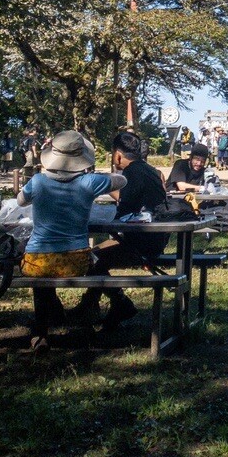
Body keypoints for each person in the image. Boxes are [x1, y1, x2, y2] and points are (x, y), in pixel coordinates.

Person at [17, 131, 124, 352]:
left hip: (39, 260)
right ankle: (74, 314)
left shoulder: (37, 182)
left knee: (39, 269)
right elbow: (121, 180)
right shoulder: (90, 182)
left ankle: (41, 332)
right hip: (76, 261)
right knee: (92, 260)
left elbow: (20, 200)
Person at [67, 131, 166, 331]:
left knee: (90, 258)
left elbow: (124, 210)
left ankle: (117, 303)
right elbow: (131, 201)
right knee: (94, 256)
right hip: (156, 237)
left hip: (141, 243)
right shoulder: (150, 170)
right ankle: (94, 305)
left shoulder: (132, 173)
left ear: (118, 154)